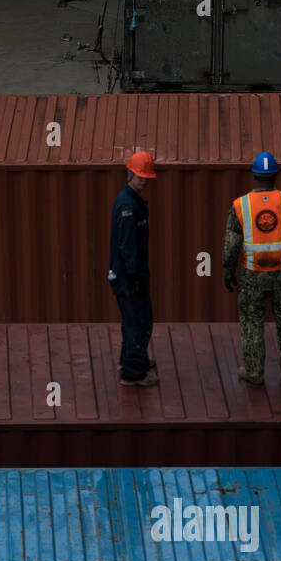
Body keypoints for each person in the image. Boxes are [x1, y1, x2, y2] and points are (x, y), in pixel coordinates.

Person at [222, 151, 281, 385]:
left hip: (252, 274)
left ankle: (254, 371)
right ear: (275, 175)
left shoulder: (240, 205)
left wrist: (227, 271)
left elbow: (231, 245)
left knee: (252, 322)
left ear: (254, 175)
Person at [109, 151, 158, 387]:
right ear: (130, 174)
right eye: (140, 176)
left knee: (132, 318)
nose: (145, 180)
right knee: (138, 320)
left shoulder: (132, 200)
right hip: (129, 275)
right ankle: (133, 373)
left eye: (147, 176)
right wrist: (135, 275)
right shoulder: (128, 206)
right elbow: (128, 246)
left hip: (129, 272)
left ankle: (129, 359)